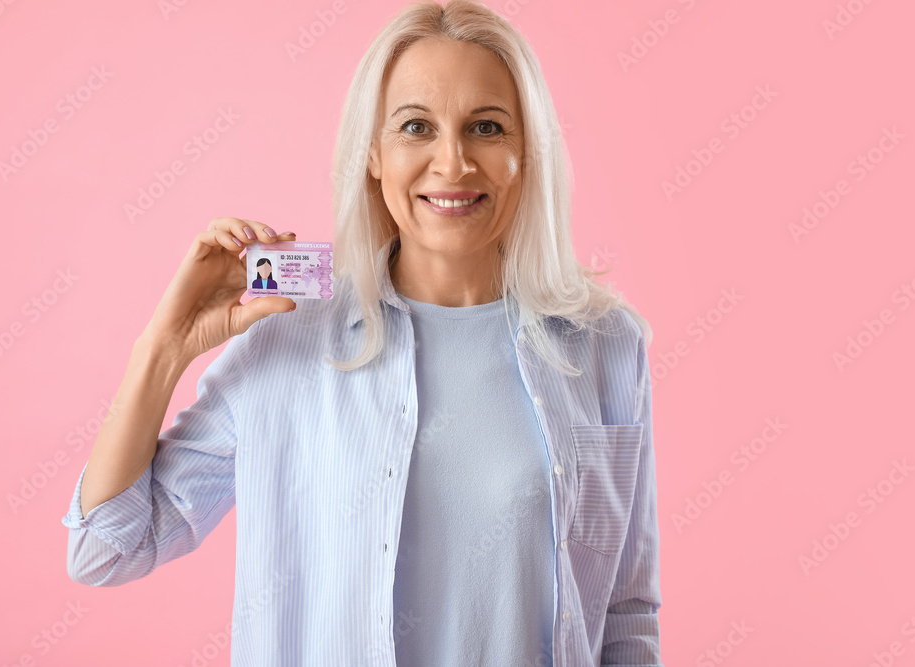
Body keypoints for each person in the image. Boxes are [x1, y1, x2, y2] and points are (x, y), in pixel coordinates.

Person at [61, 1, 664, 665]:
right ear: (373, 154)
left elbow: (624, 612)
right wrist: (163, 347)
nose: (453, 162)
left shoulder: (606, 345)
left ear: (526, 152)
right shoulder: (287, 334)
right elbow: (106, 547)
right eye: (416, 127)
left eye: (486, 127)